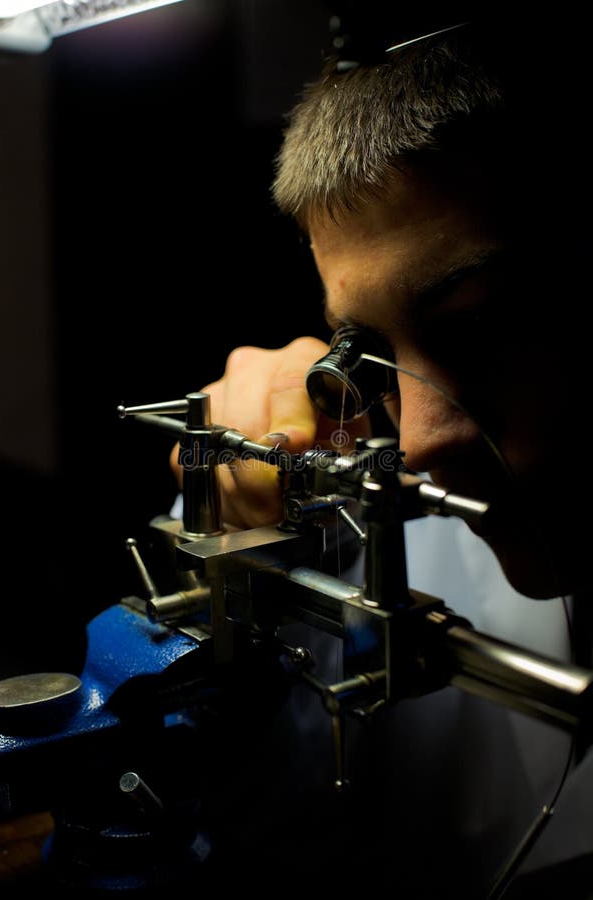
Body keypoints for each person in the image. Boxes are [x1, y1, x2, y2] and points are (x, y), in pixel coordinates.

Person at [169, 11, 592, 898]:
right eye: (371, 358)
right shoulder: (405, 542)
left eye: (480, 325)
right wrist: (240, 522)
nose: (427, 442)